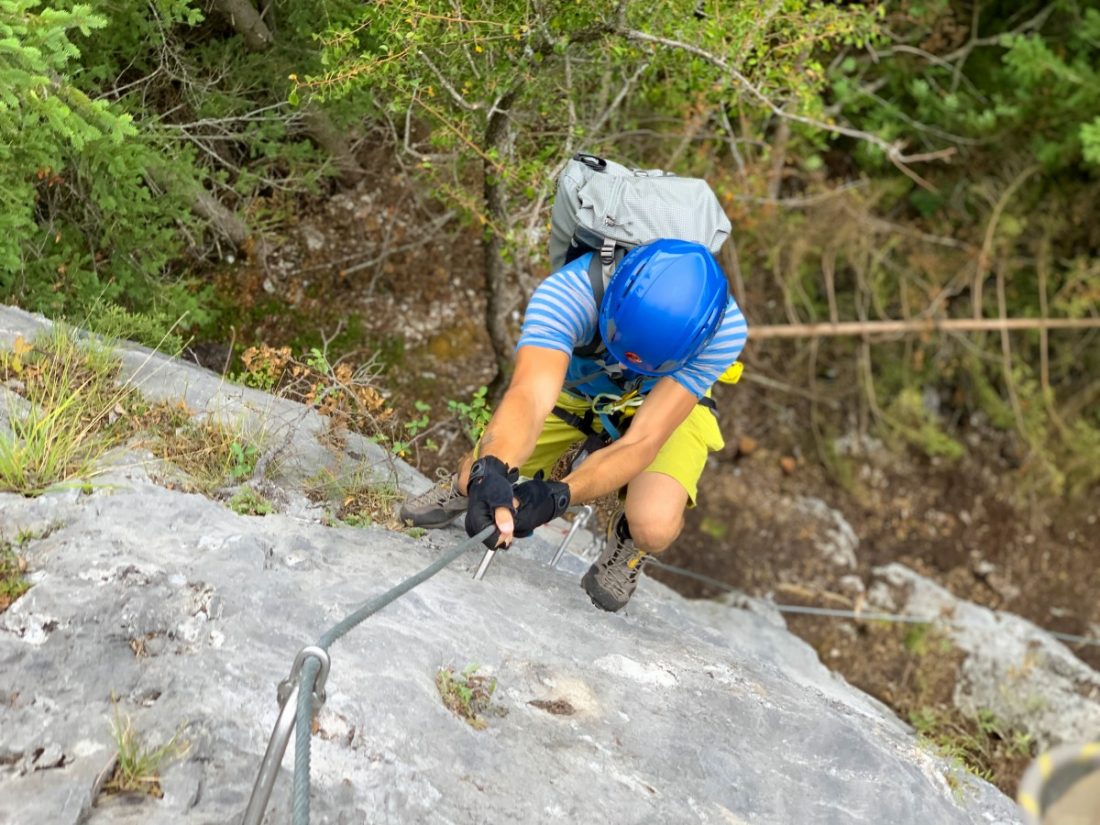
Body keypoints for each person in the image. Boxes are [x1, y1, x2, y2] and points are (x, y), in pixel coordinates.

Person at [400, 238, 748, 612]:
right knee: (481, 470)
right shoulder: (569, 294)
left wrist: (558, 496)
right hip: (579, 384)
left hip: (667, 401)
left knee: (654, 527)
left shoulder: (722, 333)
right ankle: (466, 485)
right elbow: (530, 397)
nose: (628, 364)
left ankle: (630, 543)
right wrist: (493, 470)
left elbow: (643, 441)